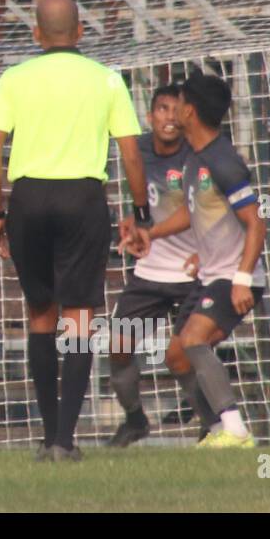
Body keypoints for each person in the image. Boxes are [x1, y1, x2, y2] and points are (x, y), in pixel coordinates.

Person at [0, 0, 149, 462]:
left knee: (40, 314)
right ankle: (65, 441)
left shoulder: (14, 78)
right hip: (82, 197)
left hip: (29, 198)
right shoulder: (107, 78)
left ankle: (46, 436)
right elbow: (132, 154)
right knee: (78, 317)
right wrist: (140, 213)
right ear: (80, 33)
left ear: (37, 34)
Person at [127, 71, 268, 448]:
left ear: (191, 111)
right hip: (212, 273)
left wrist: (242, 277)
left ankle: (236, 430)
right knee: (177, 356)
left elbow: (256, 222)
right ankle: (216, 430)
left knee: (192, 339)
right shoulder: (196, 159)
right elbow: (195, 214)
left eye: (180, 103)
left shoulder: (223, 161)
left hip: (235, 277)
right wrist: (150, 233)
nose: (174, 111)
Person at [106, 85, 202, 448]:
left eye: (176, 110)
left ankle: (211, 424)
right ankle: (135, 420)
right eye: (162, 109)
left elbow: (204, 211)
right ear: (150, 116)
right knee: (117, 345)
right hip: (149, 272)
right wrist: (132, 219)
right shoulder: (138, 151)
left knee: (179, 356)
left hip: (193, 273)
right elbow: (143, 199)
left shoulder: (198, 155)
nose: (169, 117)